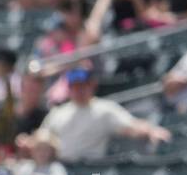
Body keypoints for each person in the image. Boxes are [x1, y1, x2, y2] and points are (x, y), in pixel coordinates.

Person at [31, 66, 170, 162]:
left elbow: (131, 126)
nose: (79, 90)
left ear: (91, 85)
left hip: (89, 169)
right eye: (75, 86)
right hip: (60, 166)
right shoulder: (58, 112)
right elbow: (41, 138)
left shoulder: (104, 109)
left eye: (83, 85)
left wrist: (152, 130)